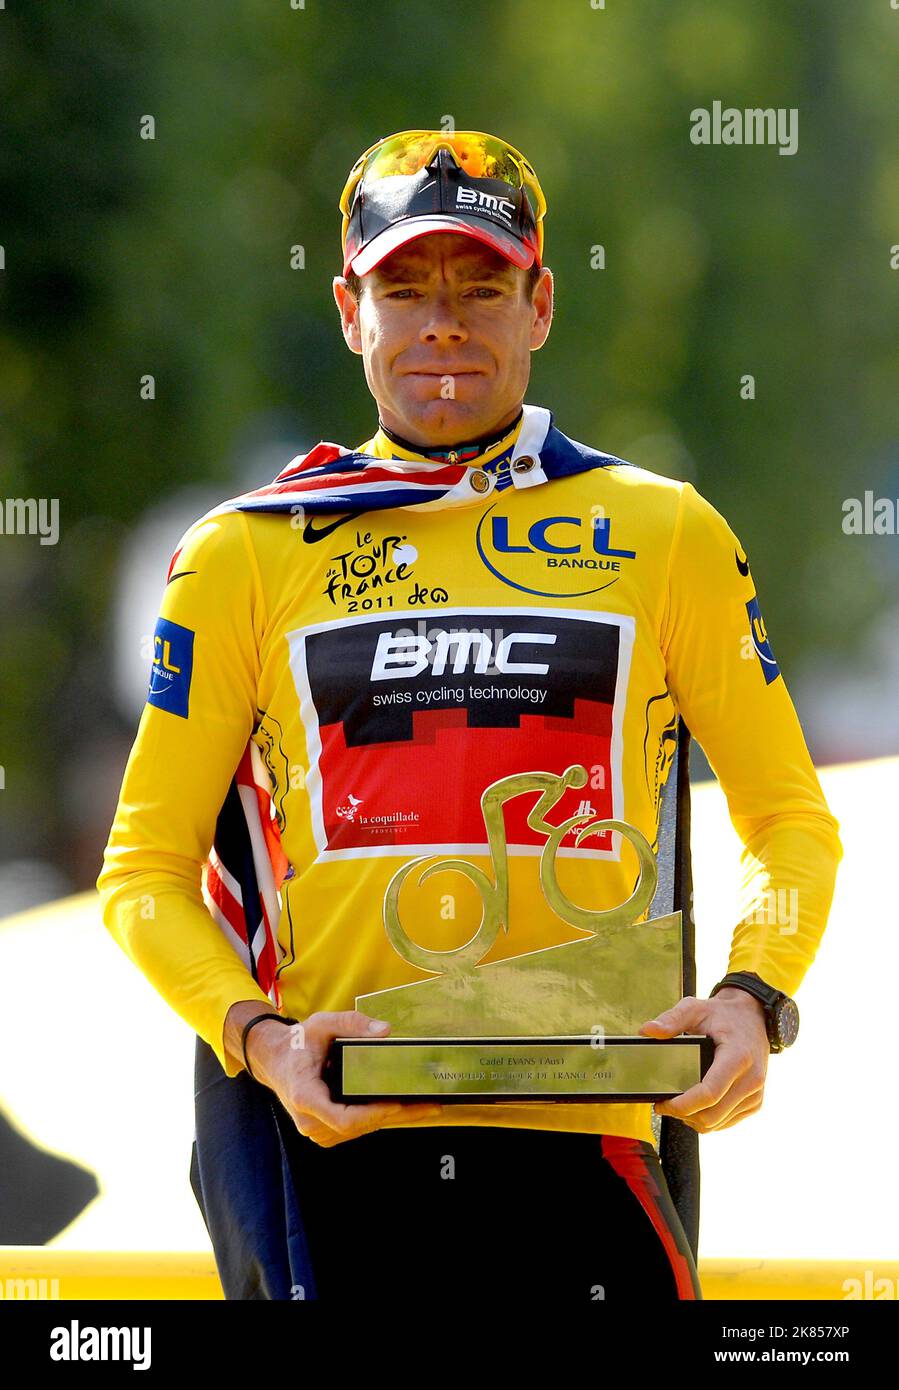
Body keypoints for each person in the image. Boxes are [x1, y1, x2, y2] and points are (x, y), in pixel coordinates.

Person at [97, 129, 843, 1302]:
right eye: (403, 288)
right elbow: (142, 872)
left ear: (538, 305)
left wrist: (755, 1000)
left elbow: (791, 824)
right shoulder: (242, 552)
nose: (442, 324)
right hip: (337, 1155)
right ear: (350, 312)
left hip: (591, 1159)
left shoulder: (667, 533)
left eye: (480, 287)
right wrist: (261, 1040)